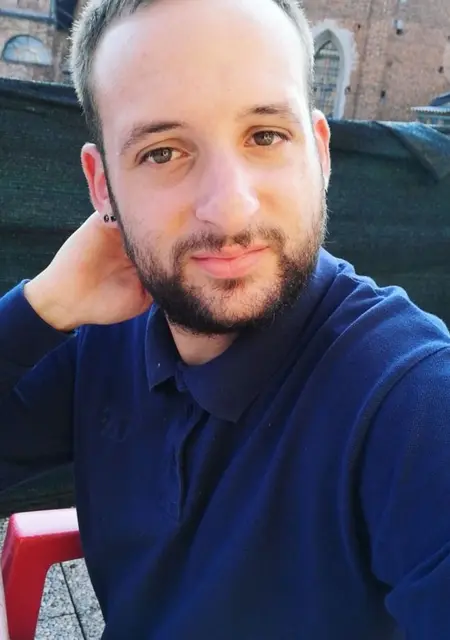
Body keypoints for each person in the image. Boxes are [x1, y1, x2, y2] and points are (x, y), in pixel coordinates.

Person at [1, 0, 450, 637]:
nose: (230, 209)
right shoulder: (102, 337)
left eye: (265, 136)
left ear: (320, 154)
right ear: (102, 187)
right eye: (163, 152)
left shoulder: (412, 402)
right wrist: (39, 306)